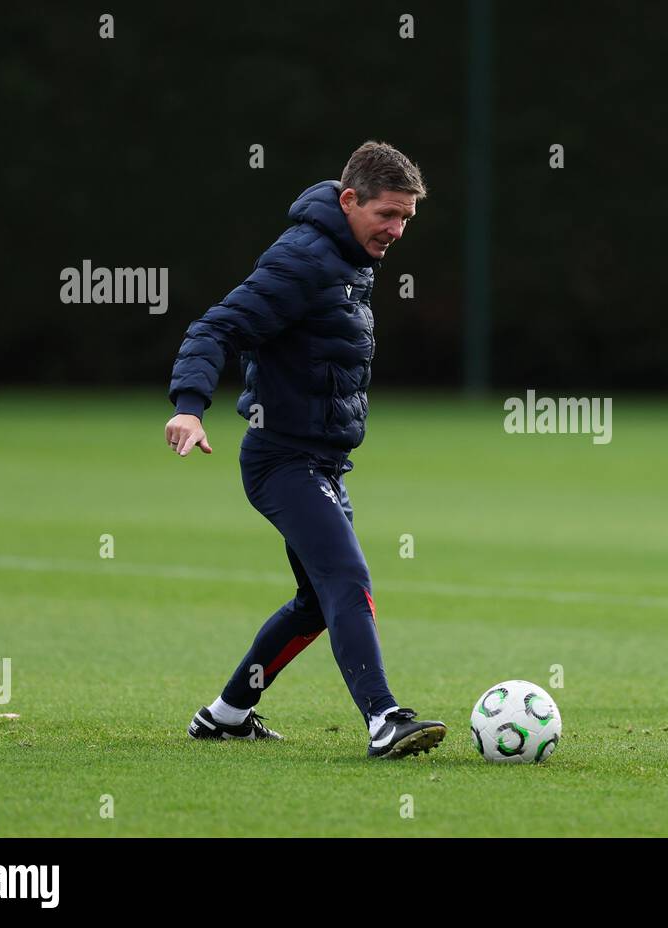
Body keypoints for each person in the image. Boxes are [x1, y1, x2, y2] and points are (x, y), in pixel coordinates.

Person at [166, 141, 447, 757]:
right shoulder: (302, 259)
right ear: (349, 200)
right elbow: (216, 326)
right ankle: (384, 719)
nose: (397, 230)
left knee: (317, 602)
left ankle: (226, 715)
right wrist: (189, 405)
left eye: (406, 219)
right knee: (346, 577)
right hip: (282, 461)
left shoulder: (350, 257)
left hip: (320, 462)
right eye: (387, 216)